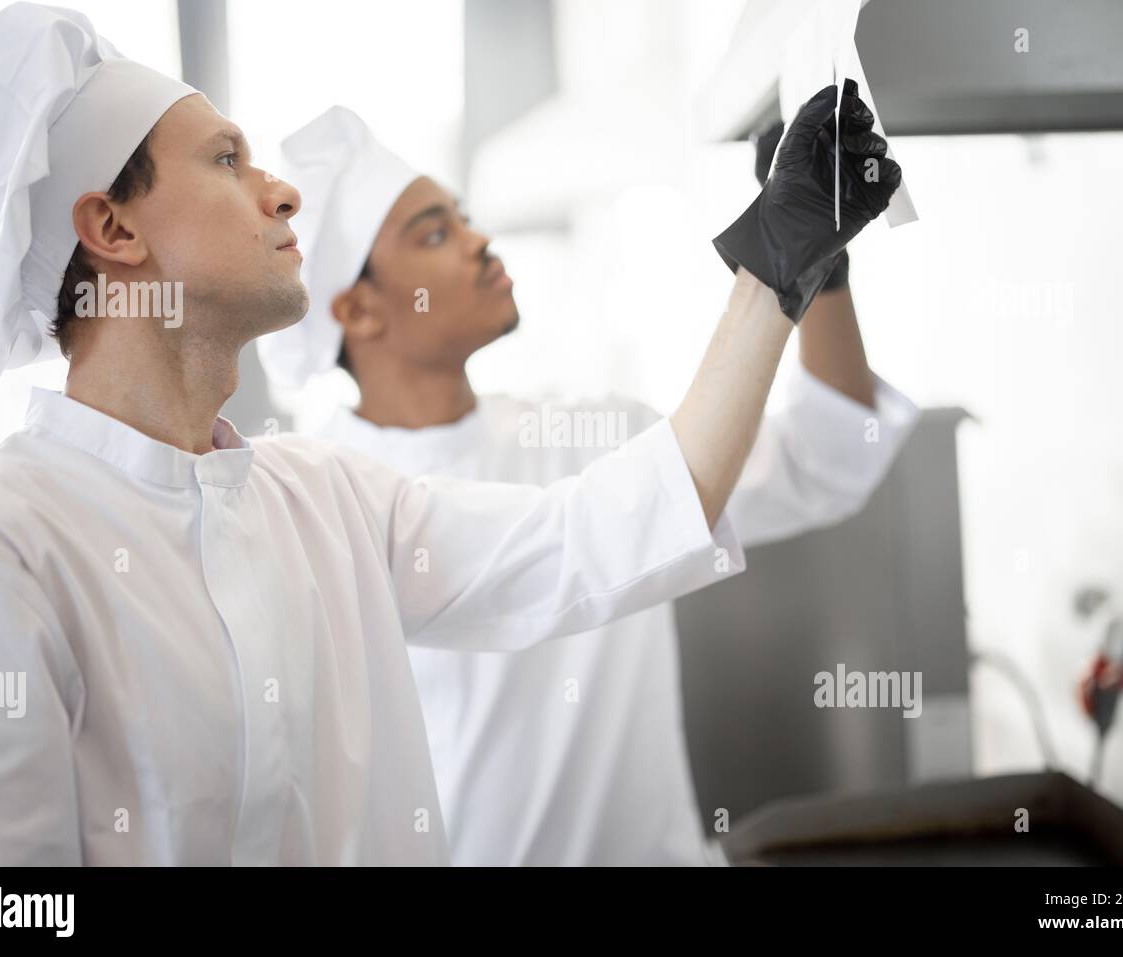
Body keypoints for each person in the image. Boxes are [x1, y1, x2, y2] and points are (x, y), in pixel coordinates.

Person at [253, 102, 917, 865]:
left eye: (465, 218)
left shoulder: (595, 435)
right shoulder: (325, 504)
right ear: (359, 308)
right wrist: (774, 265)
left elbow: (826, 458)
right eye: (436, 233)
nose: (479, 243)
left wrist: (820, 271)